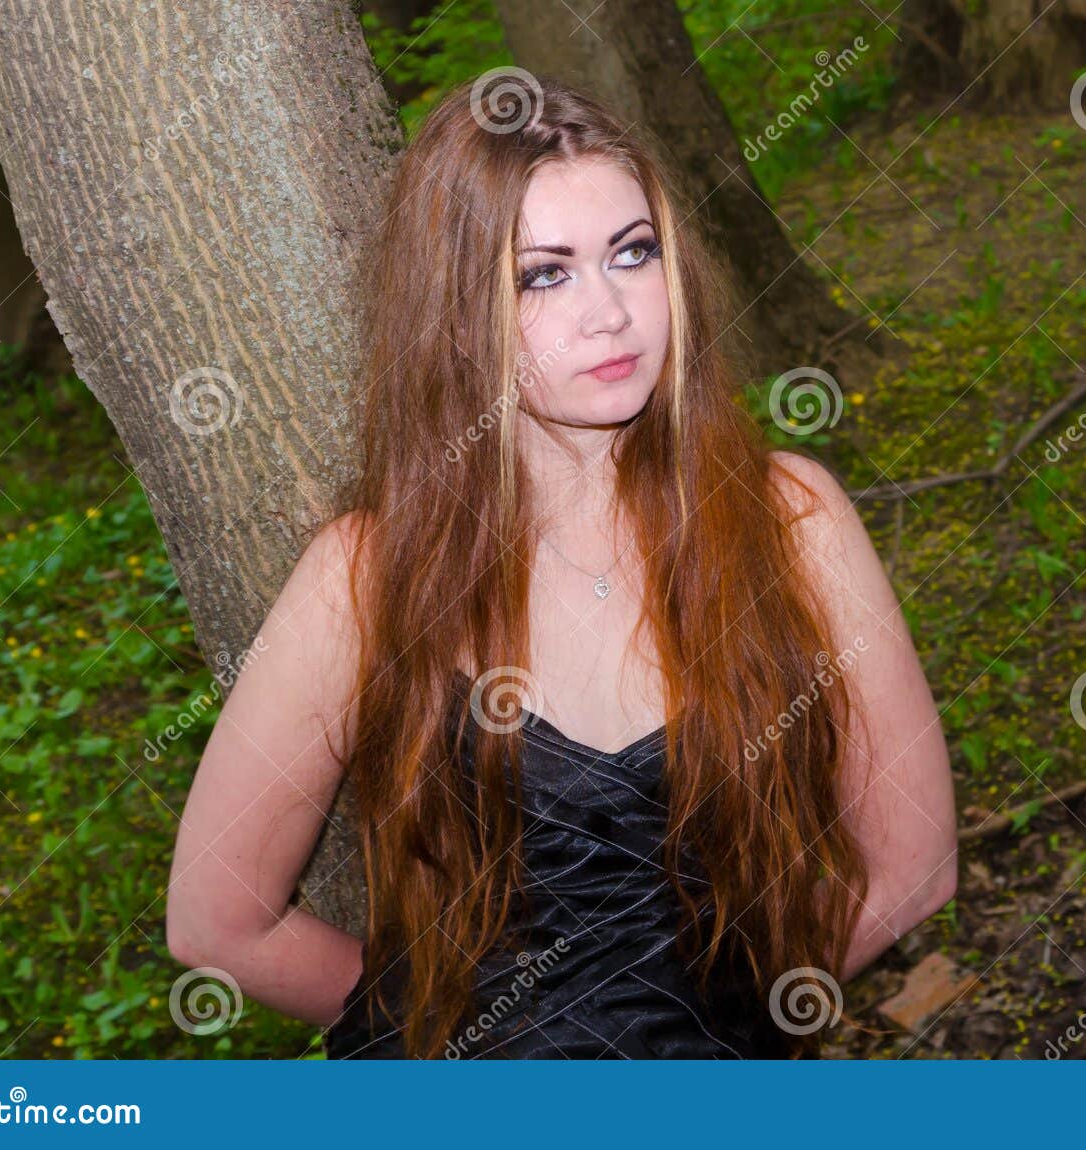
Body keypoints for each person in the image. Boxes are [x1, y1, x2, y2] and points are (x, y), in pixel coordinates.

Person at [165, 73, 957, 1059]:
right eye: (543, 274)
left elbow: (912, 866)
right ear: (456, 317)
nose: (610, 312)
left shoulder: (787, 518)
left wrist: (734, 1020)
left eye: (632, 253)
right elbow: (218, 921)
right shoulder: (367, 578)